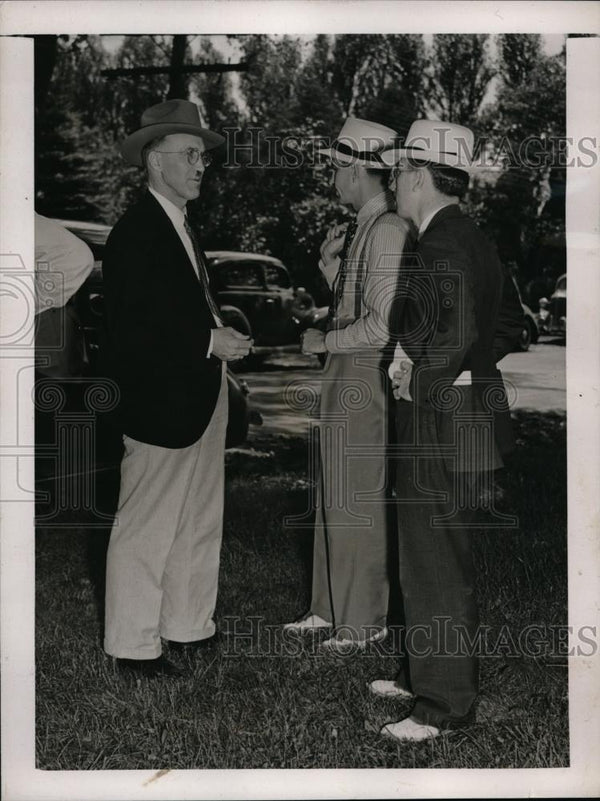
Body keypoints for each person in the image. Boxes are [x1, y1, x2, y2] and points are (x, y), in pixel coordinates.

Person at [368, 120, 523, 741]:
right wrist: (470, 372)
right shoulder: (472, 238)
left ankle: (441, 706)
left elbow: (456, 335)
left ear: (419, 178)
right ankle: (423, 673)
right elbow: (509, 323)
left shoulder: (440, 245)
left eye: (401, 173)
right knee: (434, 556)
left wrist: (422, 384)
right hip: (468, 421)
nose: (395, 183)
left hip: (440, 424)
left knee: (434, 561)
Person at [102, 99, 252, 678]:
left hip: (201, 394)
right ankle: (133, 646)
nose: (200, 166)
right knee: (147, 524)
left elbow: (184, 311)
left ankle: (188, 626)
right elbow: (133, 329)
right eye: (189, 155)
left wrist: (219, 338)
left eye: (203, 158)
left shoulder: (182, 227)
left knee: (197, 517)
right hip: (159, 403)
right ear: (154, 160)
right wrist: (206, 341)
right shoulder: (135, 232)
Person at [284, 117, 413, 651]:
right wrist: (328, 271)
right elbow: (358, 307)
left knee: (355, 494)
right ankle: (328, 608)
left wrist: (324, 343)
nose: (331, 178)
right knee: (334, 492)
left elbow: (384, 325)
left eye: (337, 167)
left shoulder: (385, 230)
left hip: (364, 374)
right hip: (348, 373)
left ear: (359, 168)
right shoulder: (366, 227)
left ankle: (363, 621)